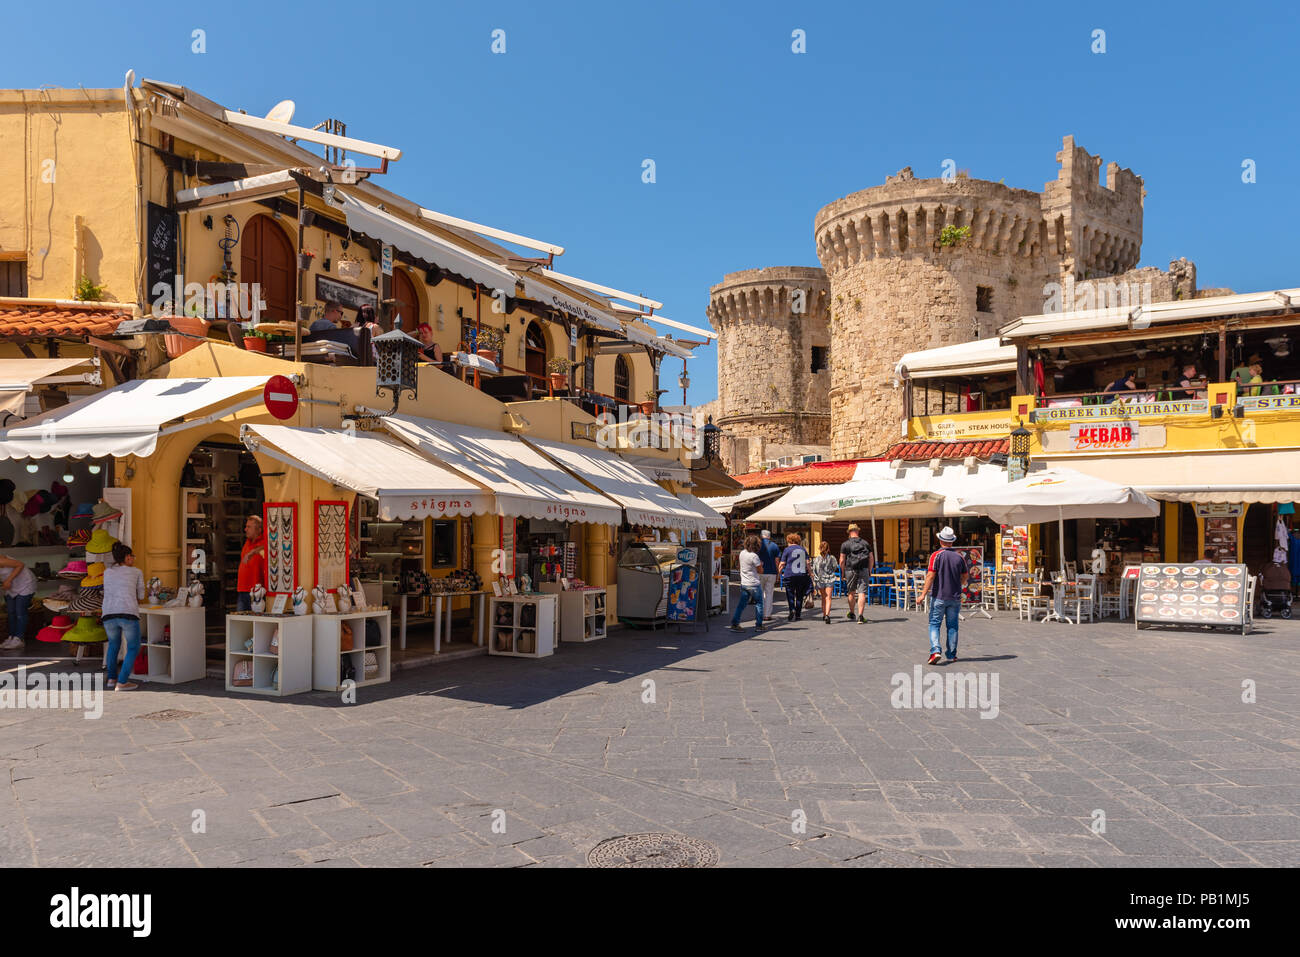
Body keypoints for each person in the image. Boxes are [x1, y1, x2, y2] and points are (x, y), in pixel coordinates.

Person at [916, 526, 967, 666]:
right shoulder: (959, 556)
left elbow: (930, 576)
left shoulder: (936, 556)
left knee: (934, 623)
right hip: (955, 597)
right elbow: (965, 576)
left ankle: (935, 650)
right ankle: (951, 654)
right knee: (952, 626)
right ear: (952, 541)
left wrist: (922, 594)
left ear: (940, 540)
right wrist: (959, 584)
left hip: (939, 596)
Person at [102, 542, 146, 691]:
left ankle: (111, 679)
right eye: (132, 556)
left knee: (113, 646)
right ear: (127, 557)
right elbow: (141, 595)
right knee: (133, 647)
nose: (133, 559)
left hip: (108, 613)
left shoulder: (107, 572)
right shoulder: (136, 572)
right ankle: (122, 682)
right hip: (127, 612)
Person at [728, 534, 764, 633]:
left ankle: (735, 623)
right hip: (754, 584)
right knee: (759, 604)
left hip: (744, 583)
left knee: (741, 605)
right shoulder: (754, 556)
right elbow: (760, 571)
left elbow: (739, 566)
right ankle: (759, 625)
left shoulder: (742, 553)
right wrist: (761, 564)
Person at [0, 553, 37, 650]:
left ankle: (19, 639)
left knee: (20, 612)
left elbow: (20, 564)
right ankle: (12, 637)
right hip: (12, 585)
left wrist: (8, 580)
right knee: (11, 612)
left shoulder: (1, 560)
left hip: (25, 583)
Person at [838, 523, 874, 623]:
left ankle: (852, 612)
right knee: (862, 593)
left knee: (851, 592)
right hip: (864, 569)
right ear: (858, 531)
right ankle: (861, 616)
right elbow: (871, 558)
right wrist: (870, 570)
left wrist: (842, 572)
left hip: (850, 570)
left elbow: (841, 560)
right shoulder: (866, 543)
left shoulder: (845, 544)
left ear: (849, 532)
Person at [236, 515, 266, 612]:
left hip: (256, 592)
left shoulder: (265, 542)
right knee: (241, 621)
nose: (245, 529)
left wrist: (253, 552)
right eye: (246, 526)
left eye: (249, 527)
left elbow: (269, 545)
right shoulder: (248, 542)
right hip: (242, 589)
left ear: (259, 529)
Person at [778, 532, 811, 622]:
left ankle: (792, 609)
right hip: (801, 575)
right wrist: (810, 573)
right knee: (799, 595)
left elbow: (782, 563)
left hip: (789, 575)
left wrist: (779, 573)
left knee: (790, 594)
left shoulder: (787, 550)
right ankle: (798, 614)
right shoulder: (803, 549)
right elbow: (808, 563)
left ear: (790, 540)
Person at [811, 540, 838, 624]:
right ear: (828, 549)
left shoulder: (816, 559)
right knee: (828, 598)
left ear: (819, 548)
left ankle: (823, 614)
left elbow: (814, 570)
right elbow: (835, 567)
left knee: (823, 598)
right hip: (830, 579)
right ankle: (827, 615)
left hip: (820, 580)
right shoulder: (832, 558)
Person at [757, 530, 781, 621]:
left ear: (761, 536)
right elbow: (777, 561)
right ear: (769, 536)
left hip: (760, 572)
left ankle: (760, 614)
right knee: (769, 594)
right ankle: (767, 615)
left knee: (760, 594)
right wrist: (778, 572)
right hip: (771, 572)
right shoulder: (775, 546)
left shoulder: (758, 545)